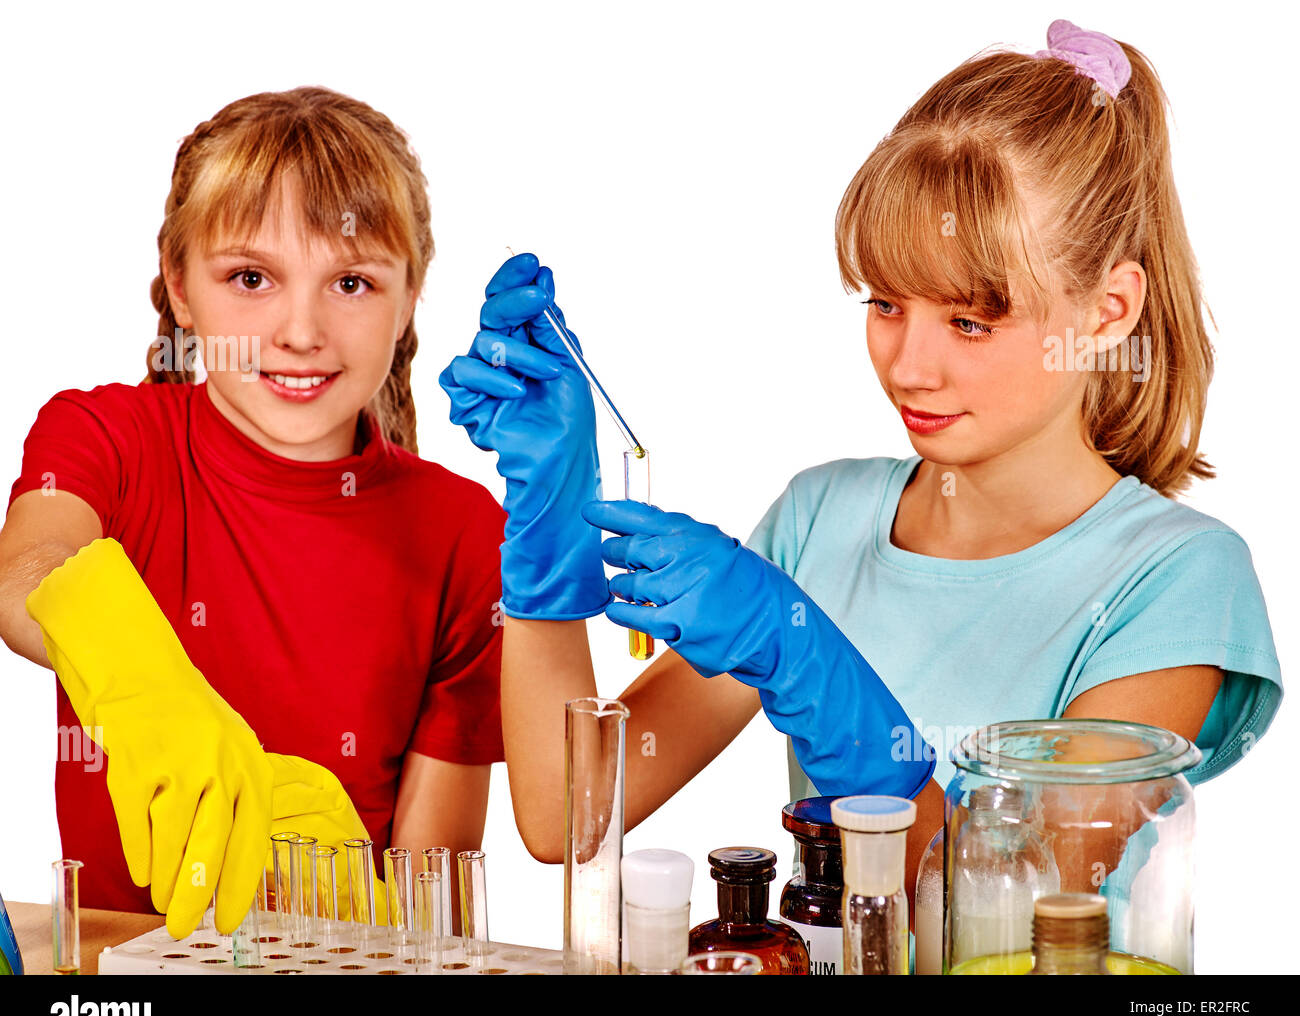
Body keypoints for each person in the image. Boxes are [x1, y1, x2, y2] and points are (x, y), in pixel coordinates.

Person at [439, 20, 1283, 912]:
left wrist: (805, 660)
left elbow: (995, 909)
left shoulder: (1178, 579)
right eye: (886, 301)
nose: (908, 365)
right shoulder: (820, 520)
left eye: (969, 320)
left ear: (1108, 310)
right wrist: (548, 520)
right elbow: (566, 816)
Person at [0, 87, 505, 937]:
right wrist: (148, 684)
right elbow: (27, 573)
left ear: (410, 295)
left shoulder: (462, 533)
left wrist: (352, 915)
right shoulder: (105, 438)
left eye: (350, 281)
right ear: (181, 287)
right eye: (250, 277)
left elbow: (431, 916)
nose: (300, 330)